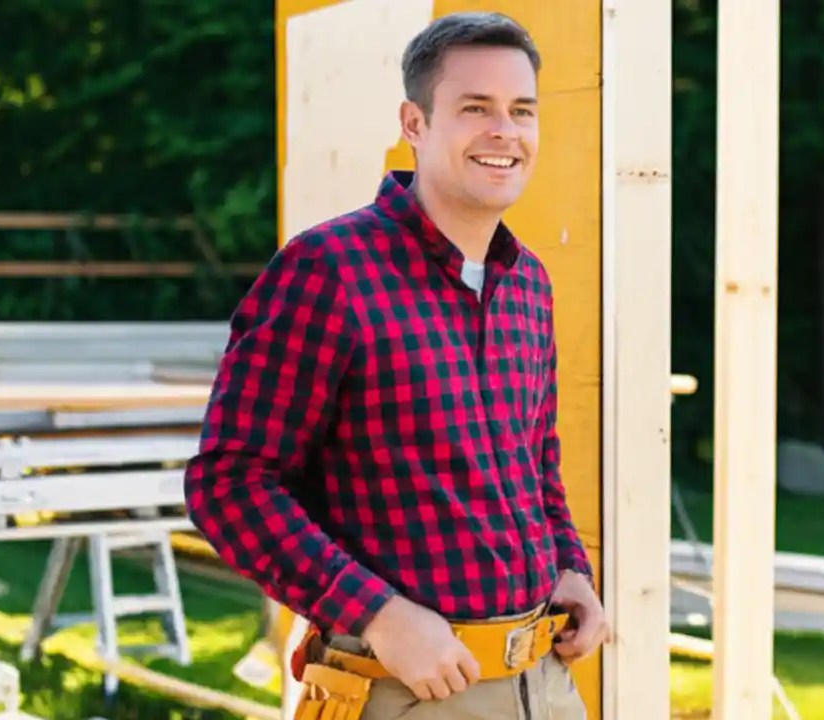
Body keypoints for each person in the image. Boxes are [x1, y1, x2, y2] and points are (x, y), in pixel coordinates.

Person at [183, 11, 609, 719]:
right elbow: (229, 482)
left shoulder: (528, 282)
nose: (505, 131)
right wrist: (377, 612)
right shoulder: (329, 272)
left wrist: (571, 566)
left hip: (547, 685)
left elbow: (535, 458)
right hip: (401, 692)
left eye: (521, 111)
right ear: (415, 123)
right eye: (475, 108)